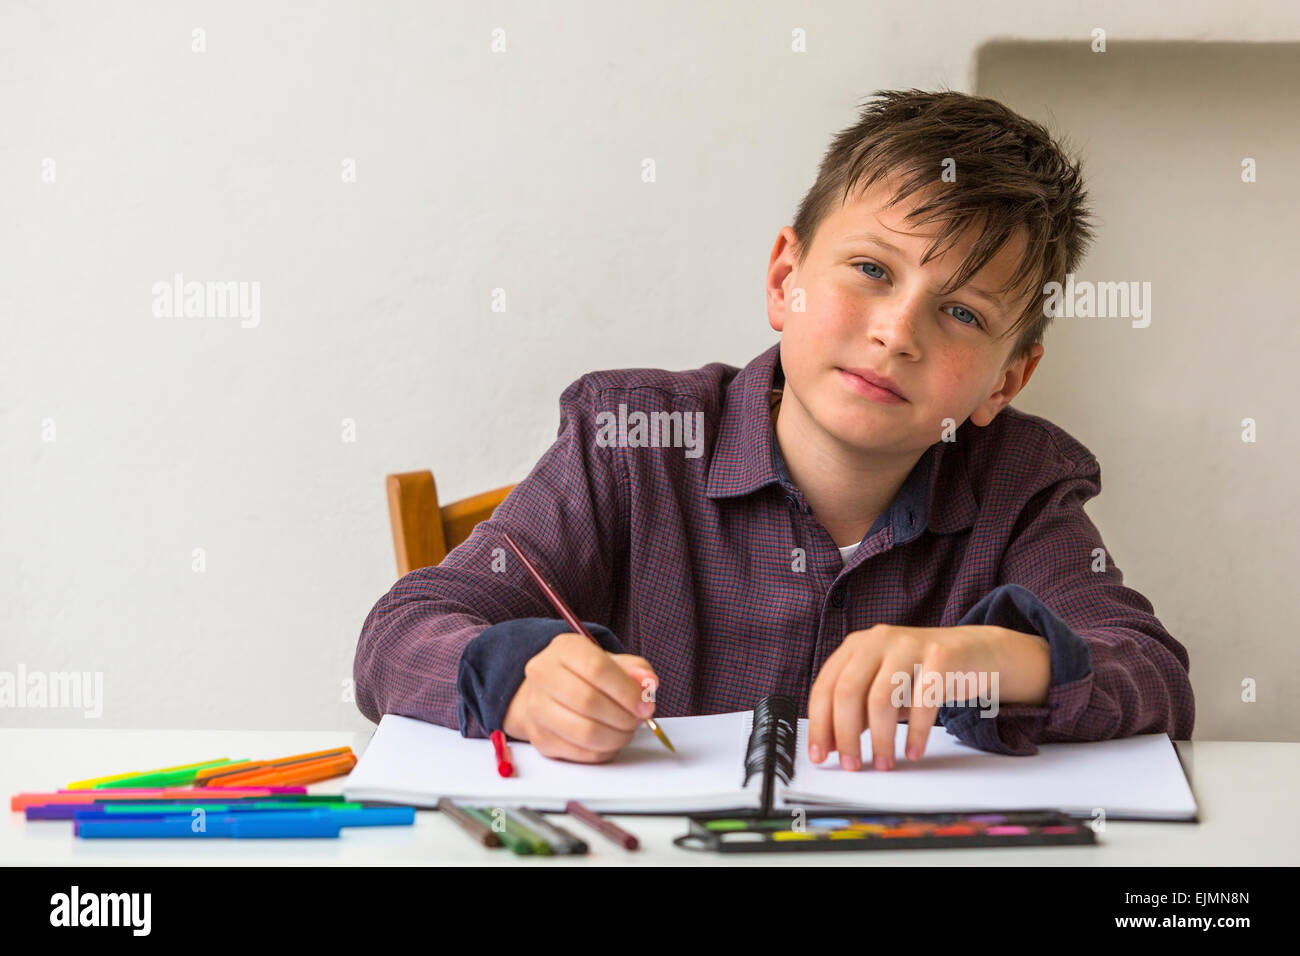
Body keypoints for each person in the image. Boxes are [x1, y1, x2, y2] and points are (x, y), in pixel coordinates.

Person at [353, 88, 1194, 771]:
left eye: (962, 313)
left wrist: (988, 659)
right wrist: (521, 679)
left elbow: (1153, 675)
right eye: (870, 270)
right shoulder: (634, 440)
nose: (898, 332)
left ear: (1005, 381)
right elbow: (403, 630)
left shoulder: (1020, 485)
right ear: (785, 278)